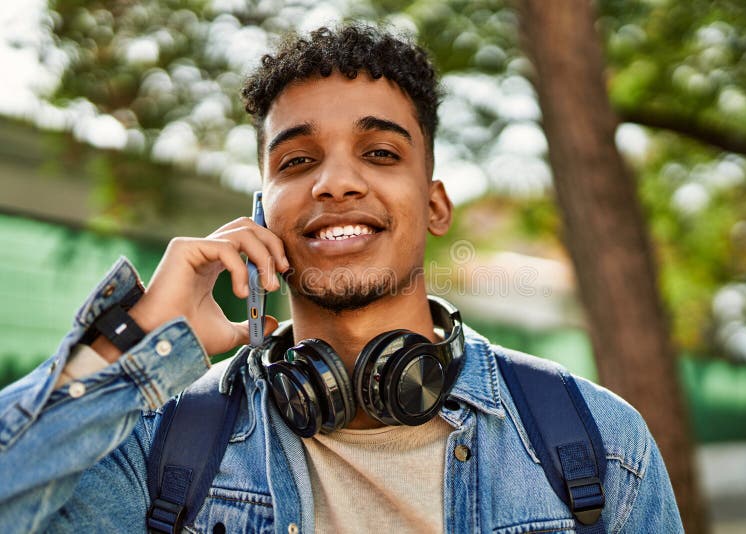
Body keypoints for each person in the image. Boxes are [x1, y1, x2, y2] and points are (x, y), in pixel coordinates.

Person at [0, 24, 682, 533]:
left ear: (435, 204)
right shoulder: (158, 447)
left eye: (379, 152)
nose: (335, 182)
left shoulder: (600, 443)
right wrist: (135, 340)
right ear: (262, 212)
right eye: (296, 161)